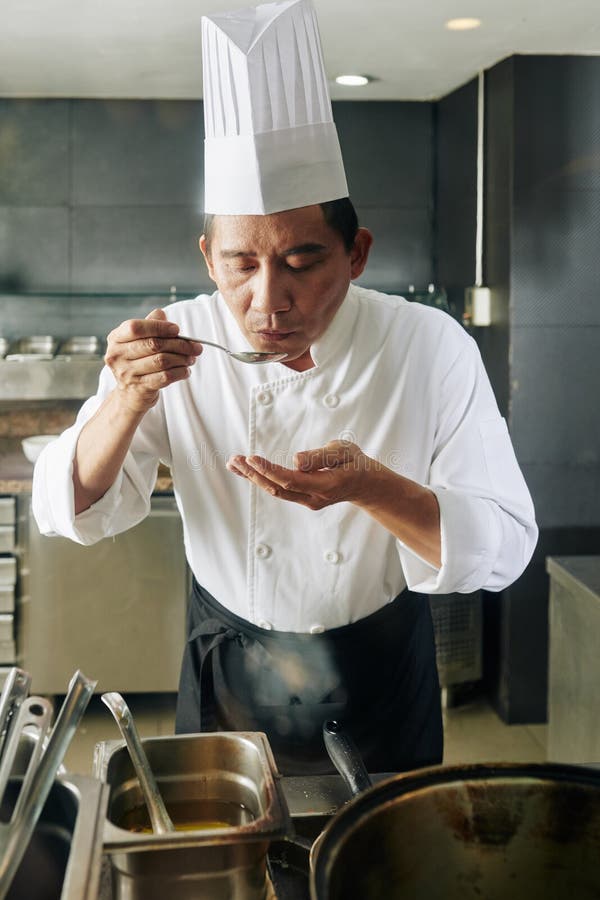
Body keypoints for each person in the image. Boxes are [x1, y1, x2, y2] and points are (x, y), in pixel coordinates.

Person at [32, 0, 537, 776]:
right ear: (209, 258)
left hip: (377, 669)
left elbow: (503, 545)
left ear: (357, 251)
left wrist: (372, 487)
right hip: (227, 666)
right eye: (241, 264)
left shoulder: (427, 344)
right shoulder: (177, 338)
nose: (269, 301)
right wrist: (128, 403)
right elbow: (70, 508)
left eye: (302, 261)